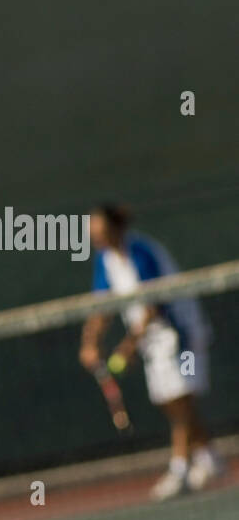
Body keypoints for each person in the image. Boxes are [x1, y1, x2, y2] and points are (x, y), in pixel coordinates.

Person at [80, 205, 224, 499]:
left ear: (117, 229)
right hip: (151, 341)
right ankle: (207, 456)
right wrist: (90, 342)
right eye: (93, 236)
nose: (98, 240)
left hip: (183, 336)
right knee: (169, 402)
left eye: (102, 233)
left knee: (180, 398)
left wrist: (128, 345)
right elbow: (101, 307)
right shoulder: (105, 260)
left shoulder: (142, 253)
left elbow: (152, 304)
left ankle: (180, 468)